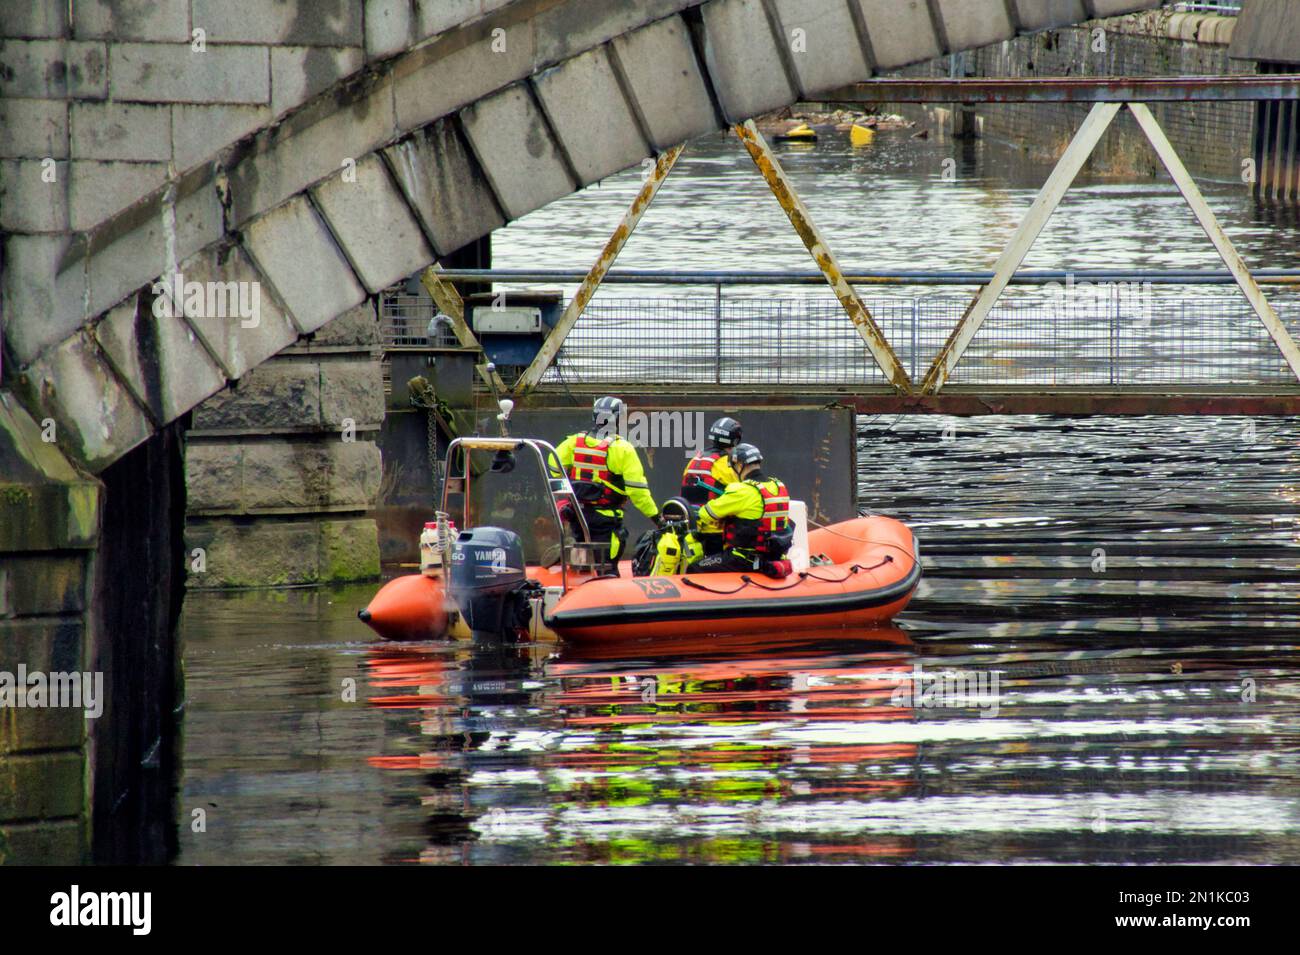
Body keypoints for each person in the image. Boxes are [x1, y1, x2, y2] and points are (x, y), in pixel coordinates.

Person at [554, 396, 660, 571]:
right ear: (617, 419)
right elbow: (637, 491)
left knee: (582, 567)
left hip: (578, 515)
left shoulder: (572, 442)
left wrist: (565, 500)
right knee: (606, 568)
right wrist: (656, 518)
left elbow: (553, 466)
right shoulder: (622, 449)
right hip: (606, 520)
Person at [690, 443, 793, 577]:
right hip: (773, 558)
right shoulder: (779, 486)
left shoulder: (741, 490)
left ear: (739, 465)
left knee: (693, 568)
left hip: (743, 560)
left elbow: (707, 514)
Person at [680, 417, 742, 555]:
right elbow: (742, 495)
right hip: (718, 533)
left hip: (692, 530)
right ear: (735, 440)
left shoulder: (695, 460)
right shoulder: (728, 464)